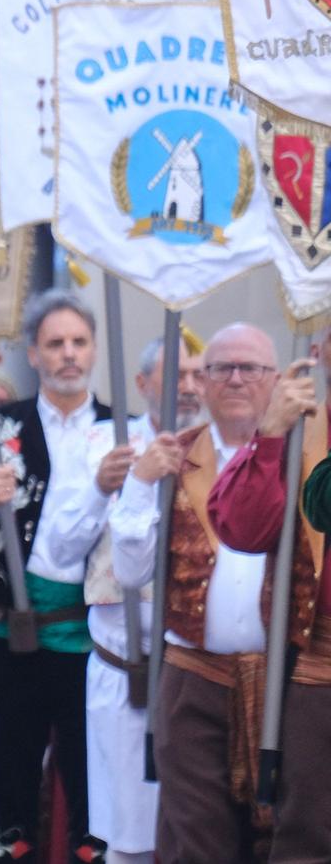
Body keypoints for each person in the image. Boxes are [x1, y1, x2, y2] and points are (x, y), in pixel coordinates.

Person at [123, 325, 305, 863]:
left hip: (288, 682)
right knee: (198, 841)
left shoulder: (308, 453)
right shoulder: (173, 456)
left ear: (276, 379)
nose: (236, 379)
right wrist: (138, 484)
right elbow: (132, 572)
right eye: (222, 368)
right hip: (195, 678)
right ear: (200, 382)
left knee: (285, 841)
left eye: (251, 368)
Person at [0, 290, 117, 862]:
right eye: (55, 343)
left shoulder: (122, 431)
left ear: (94, 349)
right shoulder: (4, 427)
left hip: (93, 639)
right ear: (33, 353)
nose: (68, 354)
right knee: (8, 793)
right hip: (14, 633)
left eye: (79, 342)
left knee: (93, 792)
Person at [210, 326, 330, 863]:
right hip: (318, 665)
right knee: (304, 839)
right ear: (319, 351)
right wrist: (273, 432)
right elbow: (242, 528)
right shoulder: (302, 430)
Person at [78, 334, 197, 864]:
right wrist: (105, 487)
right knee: (128, 835)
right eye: (177, 375)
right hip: (124, 668)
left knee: (194, 830)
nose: (188, 387)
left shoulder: (218, 446)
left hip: (195, 670)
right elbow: (64, 542)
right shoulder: (105, 443)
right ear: (142, 382)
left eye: (197, 375)